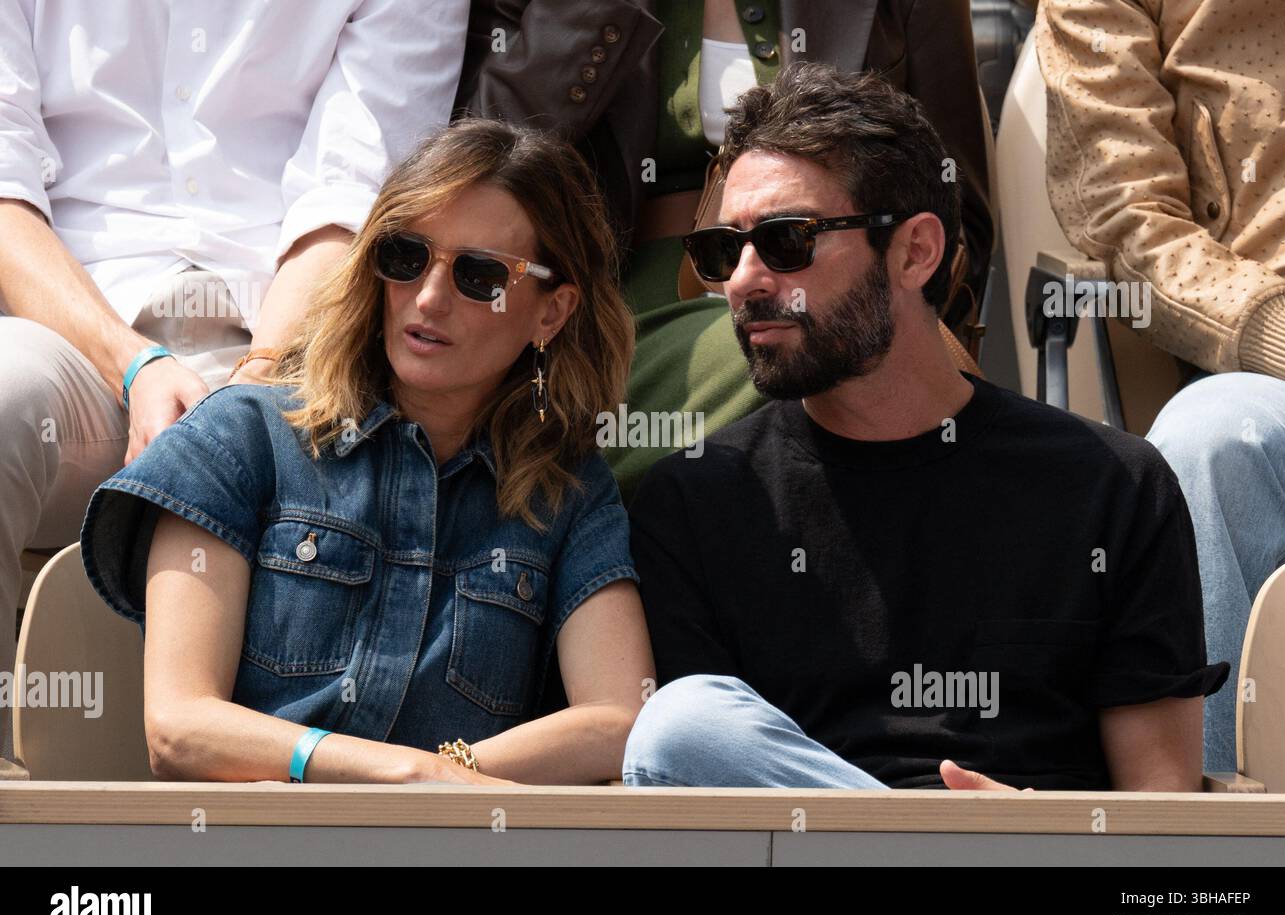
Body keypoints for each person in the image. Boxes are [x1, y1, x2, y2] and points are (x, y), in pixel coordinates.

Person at [621, 63, 1228, 792]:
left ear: (915, 251)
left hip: (1036, 858)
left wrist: (1032, 837)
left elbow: (1161, 827)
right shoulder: (696, 503)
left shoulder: (1111, 486)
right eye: (725, 250)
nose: (746, 280)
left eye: (787, 240)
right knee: (682, 723)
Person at [80, 119, 653, 785]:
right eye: (406, 257)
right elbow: (180, 728)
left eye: (479, 275)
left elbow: (622, 718)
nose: (430, 298)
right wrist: (401, 778)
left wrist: (444, 773)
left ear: (550, 313)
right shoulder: (245, 435)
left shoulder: (568, 493)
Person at [0, 0, 471, 759]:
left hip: (294, 342)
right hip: (73, 333)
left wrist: (248, 392)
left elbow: (349, 198)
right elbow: (4, 195)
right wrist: (135, 363)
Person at [456, 0, 993, 497]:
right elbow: (484, 163)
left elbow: (956, 202)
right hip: (610, 312)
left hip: (838, 290)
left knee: (888, 372)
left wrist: (922, 331)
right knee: (817, 364)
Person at [1036, 0, 1285, 773]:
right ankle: (1199, 867)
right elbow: (1130, 220)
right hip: (1273, 370)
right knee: (1208, 444)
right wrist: (1283, 336)